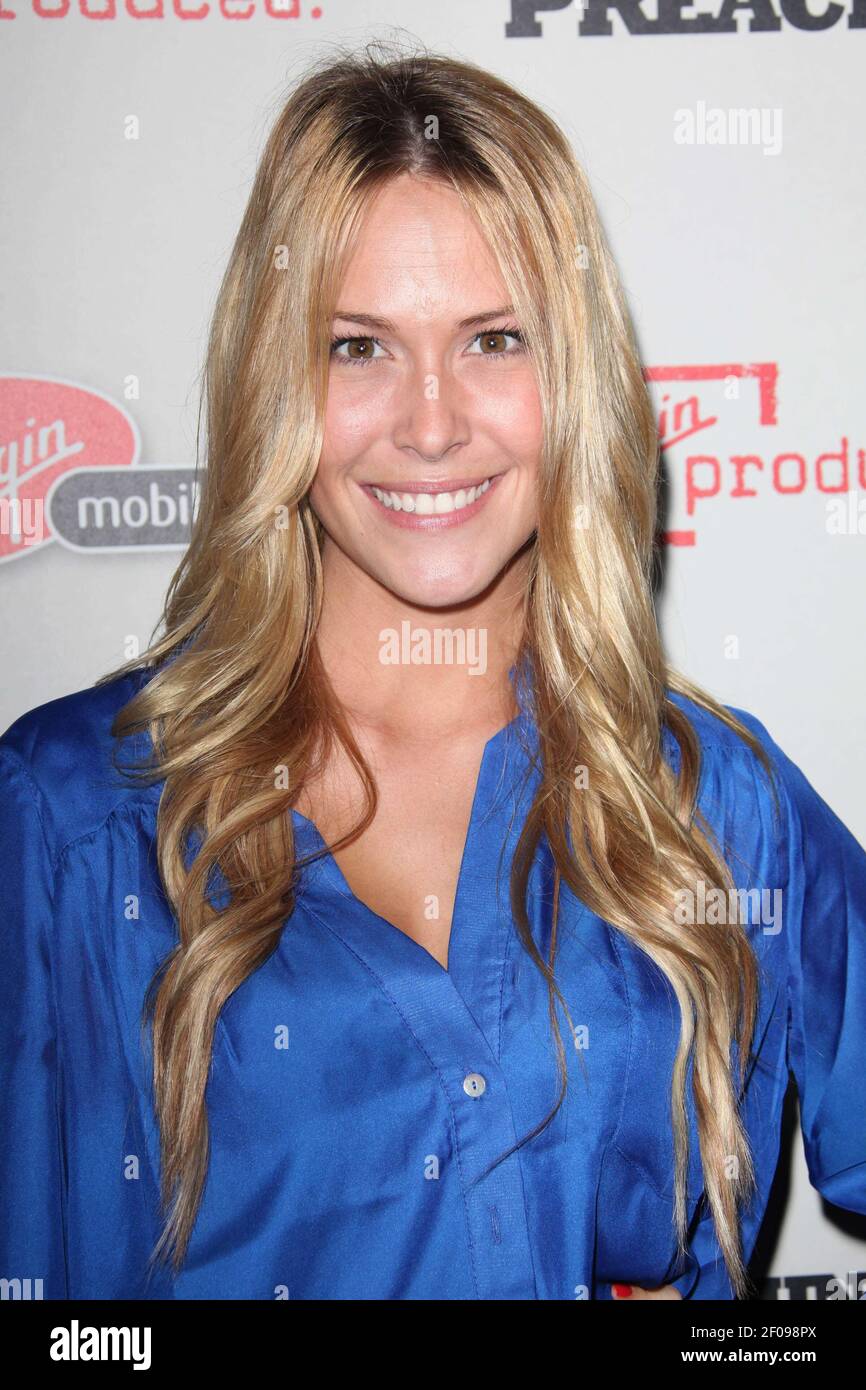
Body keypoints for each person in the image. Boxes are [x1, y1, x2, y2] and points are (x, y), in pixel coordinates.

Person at [1, 42, 864, 1303]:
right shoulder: (67, 819)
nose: (429, 423)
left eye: (492, 339)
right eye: (357, 347)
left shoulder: (711, 801)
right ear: (274, 378)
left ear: (573, 375)